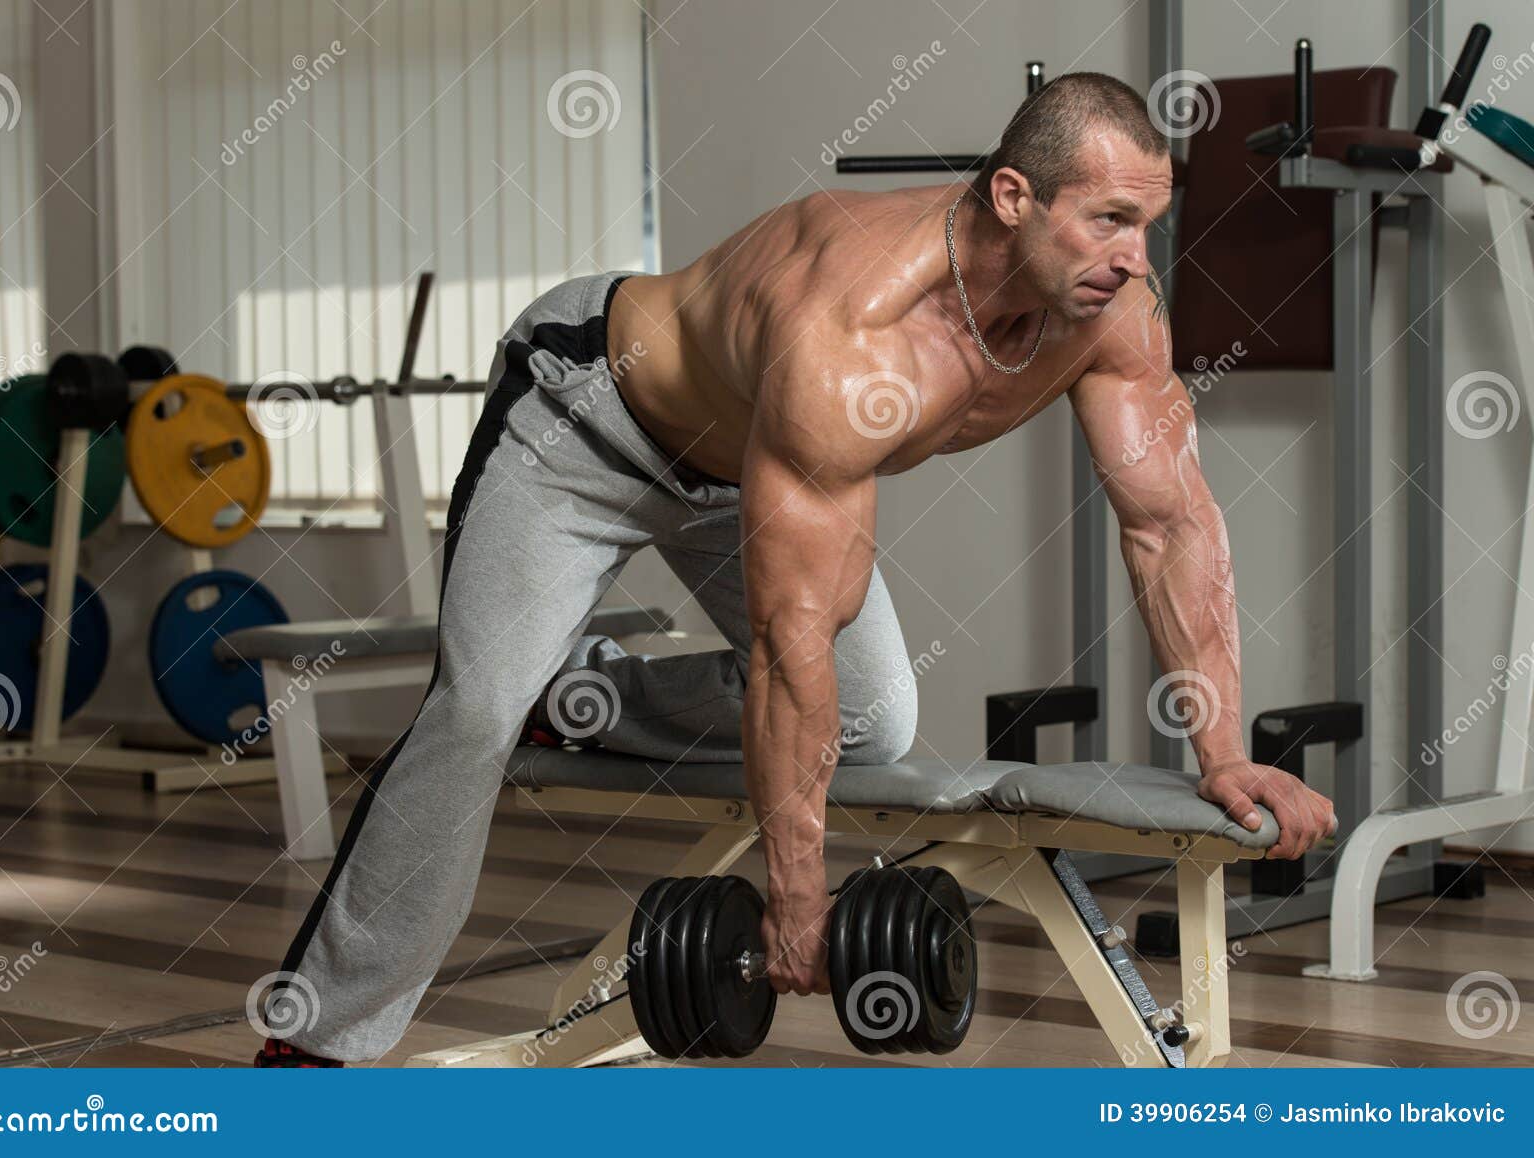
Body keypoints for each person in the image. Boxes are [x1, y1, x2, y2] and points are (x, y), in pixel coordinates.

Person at [255, 71, 1337, 1067]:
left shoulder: (1110, 318)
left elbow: (1170, 524)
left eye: (1148, 224)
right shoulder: (854, 327)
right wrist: (796, 896)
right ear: (1014, 197)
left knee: (875, 720)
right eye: (1109, 220)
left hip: (746, 469)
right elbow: (788, 641)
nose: (1136, 256)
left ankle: (578, 703)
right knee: (475, 713)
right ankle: (316, 1044)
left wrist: (1222, 751)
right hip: (586, 427)